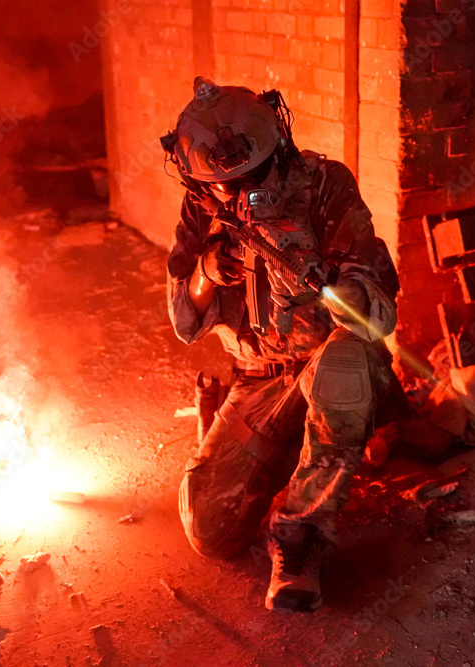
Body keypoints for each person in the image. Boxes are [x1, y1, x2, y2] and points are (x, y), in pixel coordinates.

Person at [160, 77, 399, 612]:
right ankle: (302, 451)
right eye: (227, 184)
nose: (243, 190)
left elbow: (375, 312)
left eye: (254, 174)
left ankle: (299, 537)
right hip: (260, 380)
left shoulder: (324, 184)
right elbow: (183, 321)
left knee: (344, 365)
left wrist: (313, 271)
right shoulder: (201, 207)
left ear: (278, 147)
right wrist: (206, 272)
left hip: (328, 361)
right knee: (210, 532)